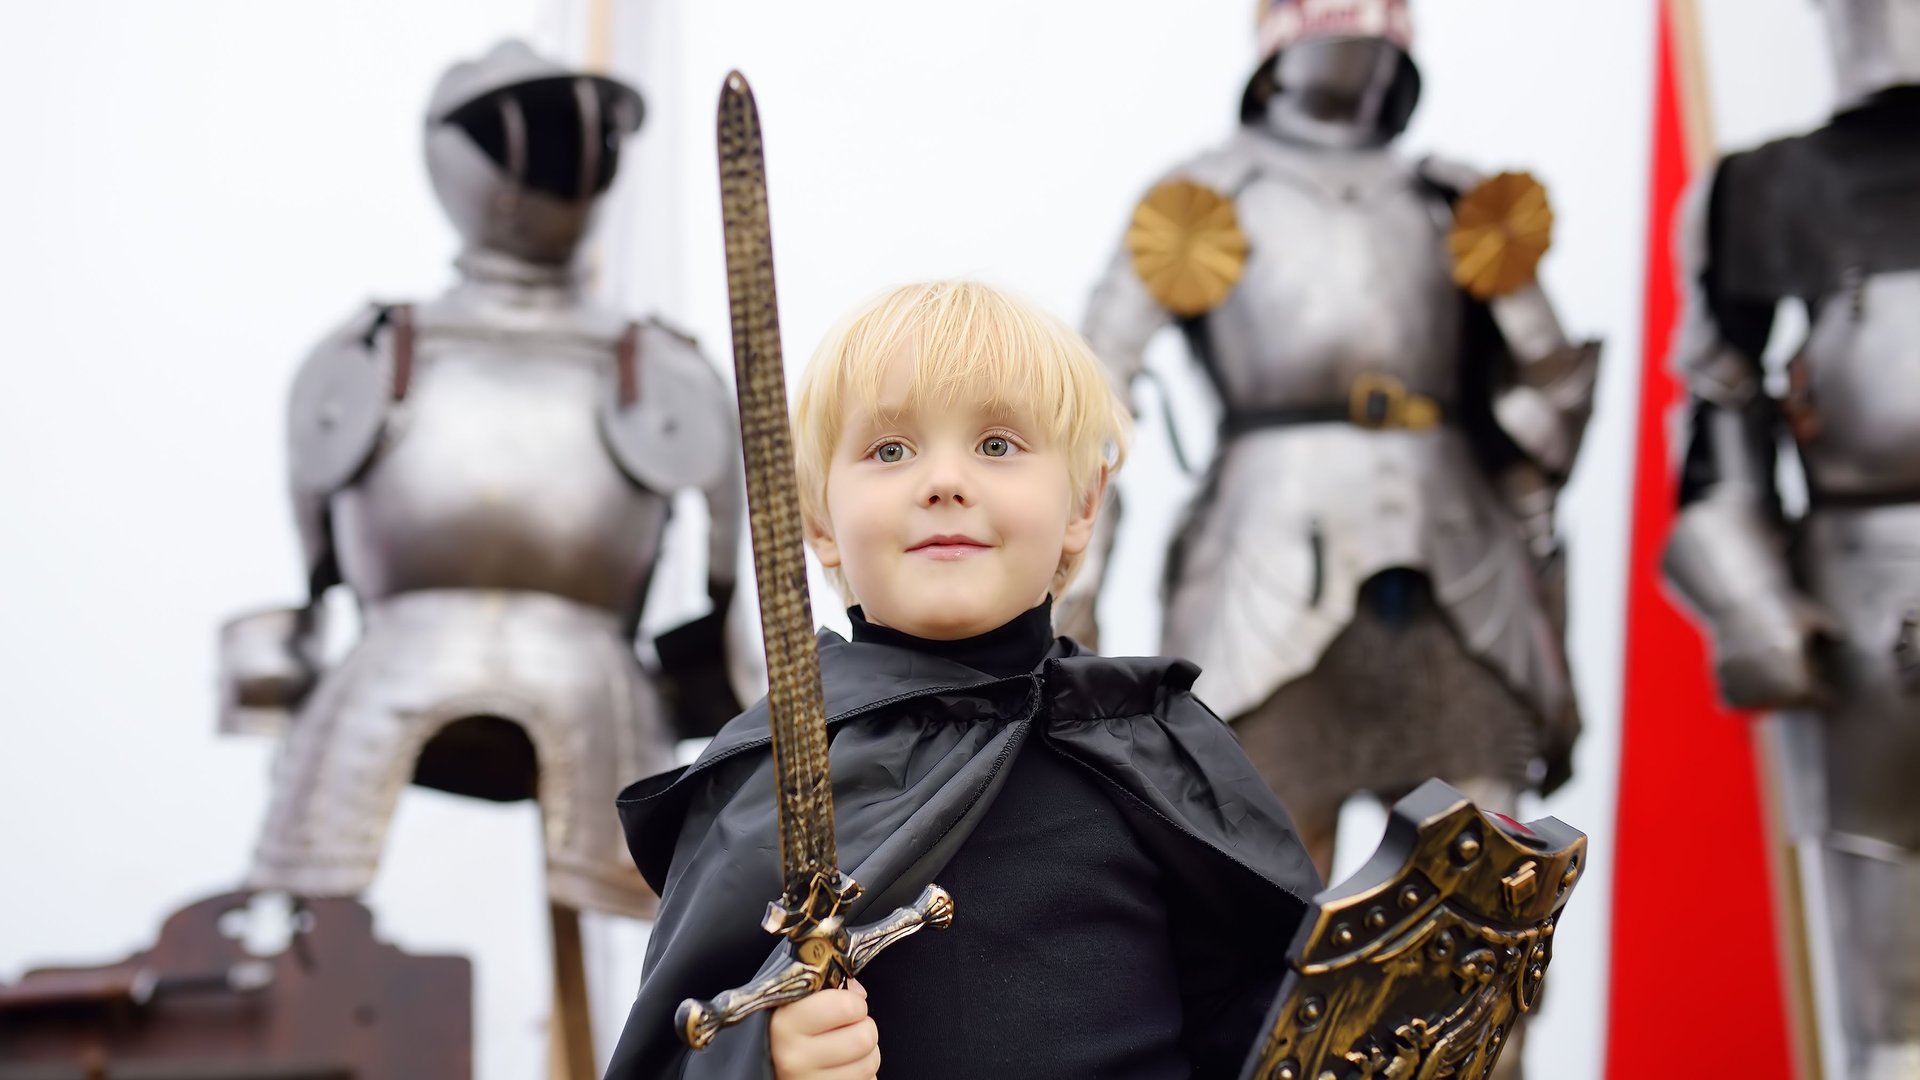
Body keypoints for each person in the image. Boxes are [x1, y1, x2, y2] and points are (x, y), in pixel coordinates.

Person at [603, 281, 1320, 1080]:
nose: (944, 482)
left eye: (998, 446)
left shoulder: (1154, 746)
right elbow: (671, 1057)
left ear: (1083, 505)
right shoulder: (777, 777)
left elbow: (1275, 1030)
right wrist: (765, 1060)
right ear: (816, 523)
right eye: (890, 451)